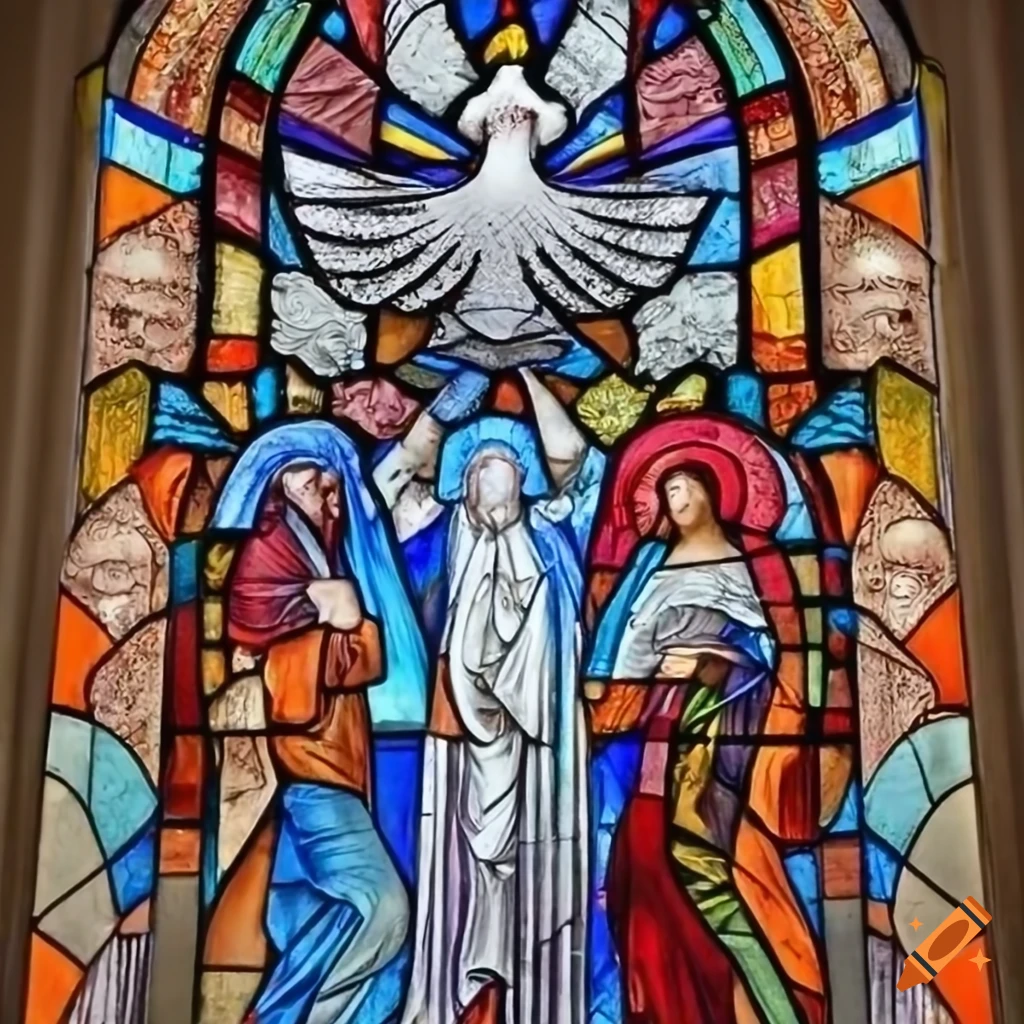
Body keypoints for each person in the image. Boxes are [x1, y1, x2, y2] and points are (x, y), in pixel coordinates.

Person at [586, 446, 826, 1024]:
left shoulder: (743, 562)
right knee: (642, 861)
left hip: (719, 718)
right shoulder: (652, 565)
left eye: (689, 486)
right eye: (670, 492)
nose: (680, 499)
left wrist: (705, 661)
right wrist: (614, 686)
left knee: (696, 860)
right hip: (660, 723)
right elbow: (630, 646)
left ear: (716, 492)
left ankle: (777, 1008)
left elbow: (764, 652)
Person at [397, 368, 603, 1024]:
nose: (497, 487)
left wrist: (530, 380)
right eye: (483, 475)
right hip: (462, 727)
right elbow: (388, 488)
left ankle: (534, 987)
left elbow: (580, 465)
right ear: (465, 486)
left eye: (508, 475)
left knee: (526, 851)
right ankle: (461, 979)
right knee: (469, 848)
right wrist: (442, 406)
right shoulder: (446, 536)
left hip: (541, 733)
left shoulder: (552, 532)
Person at [212, 422, 430, 1024]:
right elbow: (287, 672)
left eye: (330, 483)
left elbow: (365, 654)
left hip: (336, 763)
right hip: (308, 768)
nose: (328, 493)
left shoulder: (316, 551)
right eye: (315, 482)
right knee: (382, 907)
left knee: (327, 915)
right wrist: (345, 626)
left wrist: (349, 619)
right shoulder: (270, 553)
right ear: (282, 483)